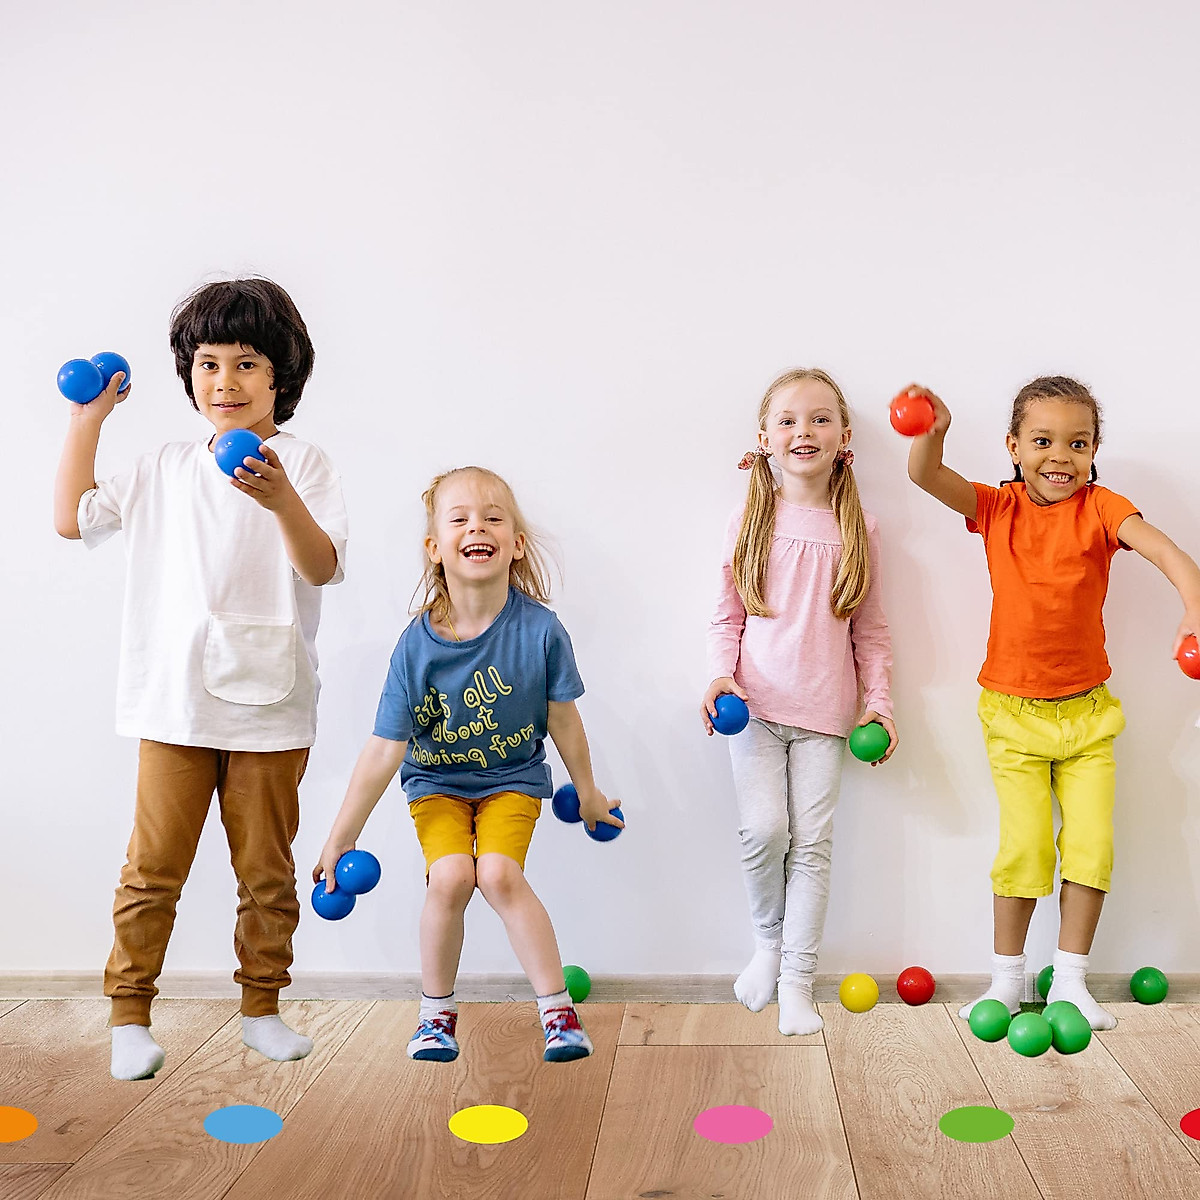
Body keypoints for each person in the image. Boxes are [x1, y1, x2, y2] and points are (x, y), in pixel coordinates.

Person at [53, 278, 347, 1079]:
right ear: (187, 374)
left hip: (272, 704)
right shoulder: (160, 467)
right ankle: (129, 1015)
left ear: (281, 376)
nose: (225, 382)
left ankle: (261, 1009)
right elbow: (71, 516)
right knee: (153, 868)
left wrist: (281, 497)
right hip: (173, 703)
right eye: (208, 363)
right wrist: (90, 420)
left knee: (265, 871)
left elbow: (320, 567)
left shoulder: (304, 465)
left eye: (247, 364)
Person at [907, 375, 1200, 1029]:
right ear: (1013, 445)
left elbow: (1167, 550)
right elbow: (925, 475)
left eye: (1078, 442)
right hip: (1012, 713)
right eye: (1042, 440)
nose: (1060, 455)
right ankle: (1007, 980)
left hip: (1089, 715)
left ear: (1094, 451)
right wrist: (933, 433)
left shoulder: (1101, 508)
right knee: (1027, 847)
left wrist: (1194, 604)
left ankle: (1069, 981)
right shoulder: (996, 506)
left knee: (1093, 845)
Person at [315, 466, 620, 1063]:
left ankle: (558, 1014)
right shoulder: (417, 644)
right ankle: (434, 1018)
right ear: (435, 548)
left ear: (516, 544)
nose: (476, 526)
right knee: (452, 876)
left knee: (499, 876)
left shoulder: (541, 631)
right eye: (459, 519)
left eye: (492, 517)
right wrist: (338, 838)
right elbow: (384, 749)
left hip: (513, 780)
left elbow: (564, 721)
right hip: (437, 784)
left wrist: (588, 793)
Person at [703, 368, 895, 1036]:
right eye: (788, 420)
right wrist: (718, 678)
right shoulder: (749, 518)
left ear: (844, 438)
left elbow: (869, 631)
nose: (803, 431)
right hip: (752, 709)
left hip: (825, 715)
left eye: (819, 419)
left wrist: (881, 704)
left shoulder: (859, 526)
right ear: (764, 439)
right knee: (764, 831)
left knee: (813, 844)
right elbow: (726, 617)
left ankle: (796, 985)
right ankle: (767, 945)